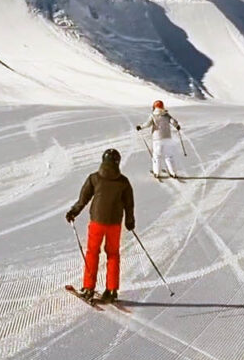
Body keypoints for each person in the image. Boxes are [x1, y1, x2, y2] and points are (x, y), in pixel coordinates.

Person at [66, 148, 135, 302]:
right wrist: (130, 221)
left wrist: (73, 212)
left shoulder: (94, 178)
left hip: (97, 222)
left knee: (92, 252)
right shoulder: (123, 182)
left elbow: (83, 199)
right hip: (114, 223)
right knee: (113, 254)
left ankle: (88, 288)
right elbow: (129, 204)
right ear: (117, 162)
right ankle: (111, 290)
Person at [136, 100, 182, 178]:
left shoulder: (153, 115)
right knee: (169, 156)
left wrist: (140, 127)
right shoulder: (166, 115)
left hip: (157, 139)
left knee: (156, 156)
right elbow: (173, 121)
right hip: (167, 138)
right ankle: (173, 173)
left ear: (155, 107)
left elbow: (147, 124)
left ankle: (156, 172)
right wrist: (177, 126)